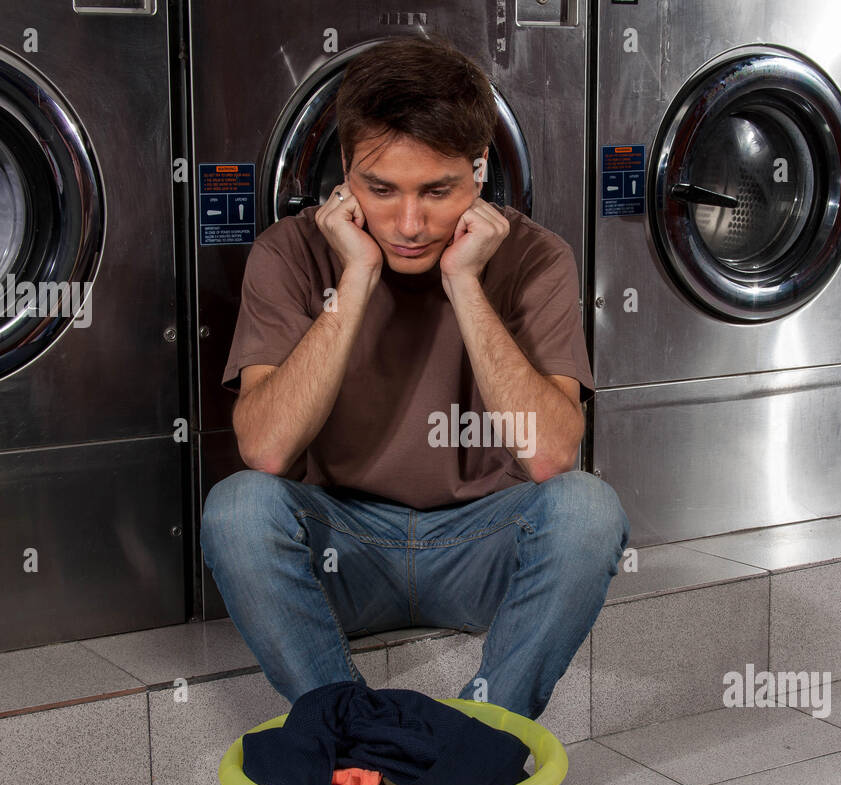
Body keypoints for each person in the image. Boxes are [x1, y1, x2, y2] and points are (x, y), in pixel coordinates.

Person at [200, 35, 629, 721]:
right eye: (380, 189)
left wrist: (464, 283)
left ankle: (477, 735)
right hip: (344, 550)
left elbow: (550, 456)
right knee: (237, 507)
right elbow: (268, 451)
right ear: (346, 172)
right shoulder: (290, 254)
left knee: (587, 509)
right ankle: (350, 731)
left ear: (480, 170)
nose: (408, 224)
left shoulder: (537, 258)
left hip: (481, 547)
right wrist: (357, 275)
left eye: (437, 191)